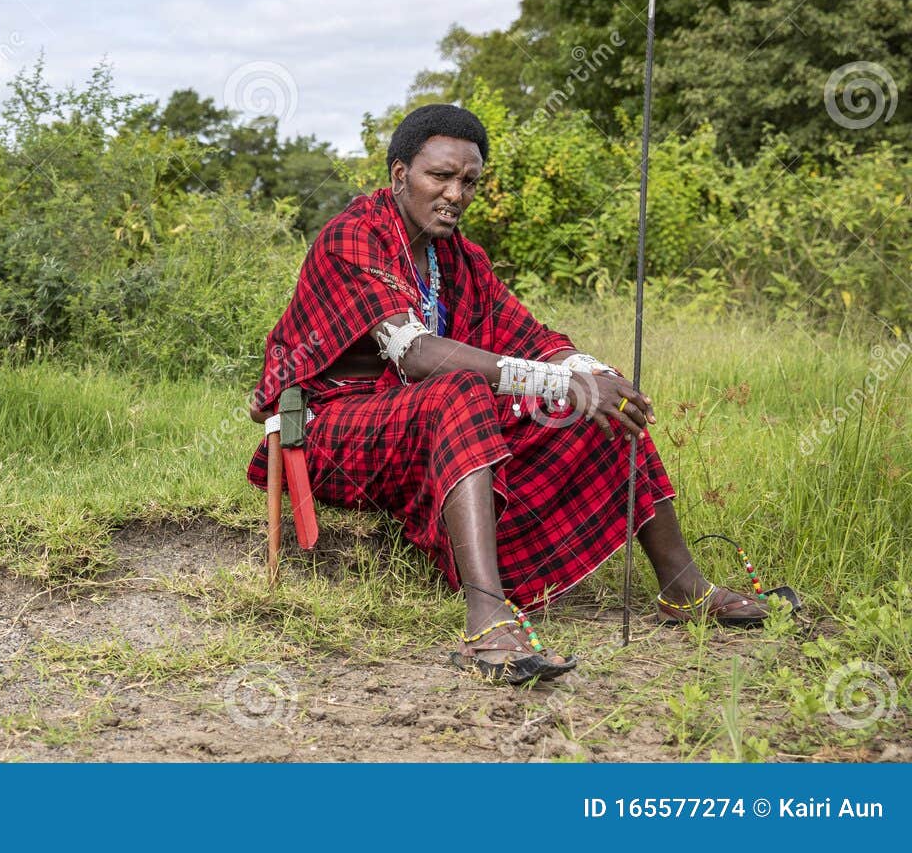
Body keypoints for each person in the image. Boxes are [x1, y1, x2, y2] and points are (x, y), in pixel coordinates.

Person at [247, 104, 766, 684]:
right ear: (399, 175)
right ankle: (487, 616)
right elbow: (415, 354)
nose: (454, 193)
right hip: (329, 431)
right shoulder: (355, 235)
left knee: (591, 401)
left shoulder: (461, 258)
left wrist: (594, 374)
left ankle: (681, 585)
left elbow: (536, 338)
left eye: (468, 181)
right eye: (438, 176)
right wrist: (556, 379)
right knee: (461, 389)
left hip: (417, 425)